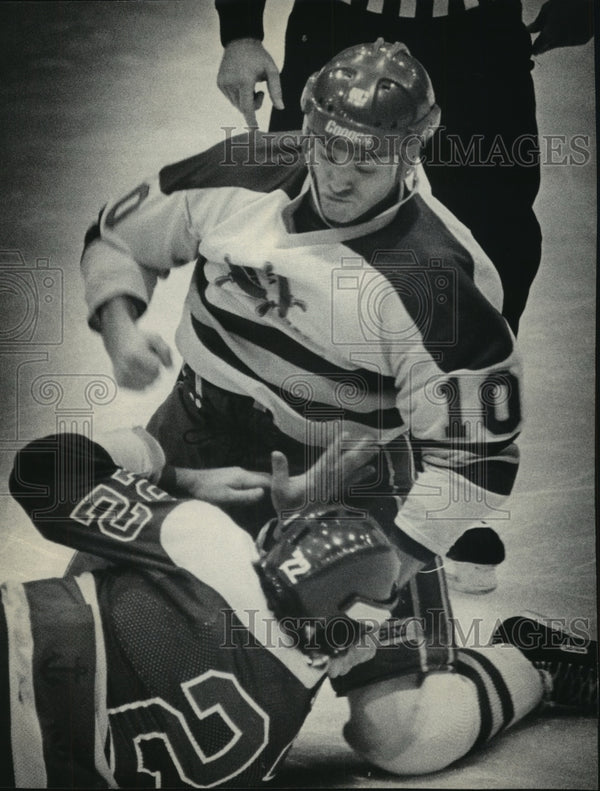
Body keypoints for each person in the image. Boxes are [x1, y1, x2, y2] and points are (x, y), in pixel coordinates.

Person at [81, 40, 522, 594]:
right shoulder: (242, 165)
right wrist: (119, 331)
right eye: (326, 150)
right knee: (98, 610)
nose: (339, 179)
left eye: (365, 162)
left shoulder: (440, 278)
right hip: (193, 427)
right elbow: (118, 239)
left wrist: (383, 583)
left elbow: (477, 457)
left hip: (344, 472)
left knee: (367, 672)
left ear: (410, 153)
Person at [5, 429, 597, 786]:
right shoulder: (274, 734)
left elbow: (39, 471)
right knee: (407, 735)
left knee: (409, 733)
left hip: (319, 445)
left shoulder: (207, 543)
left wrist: (177, 477)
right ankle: (527, 664)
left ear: (269, 546)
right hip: (236, 410)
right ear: (353, 643)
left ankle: (528, 662)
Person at [215, 0, 594, 335]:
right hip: (338, 18)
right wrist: (240, 28)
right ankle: (274, 367)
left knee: (495, 231)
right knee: (295, 210)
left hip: (479, 31)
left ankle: (467, 382)